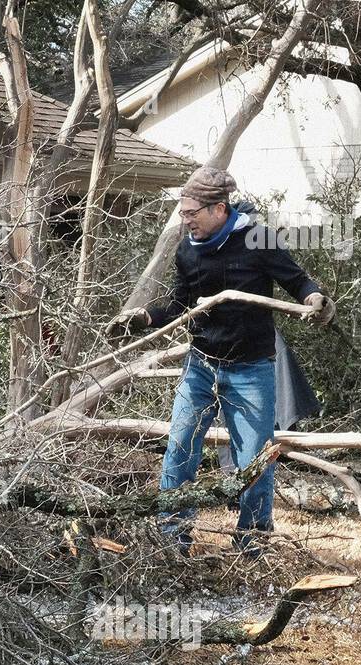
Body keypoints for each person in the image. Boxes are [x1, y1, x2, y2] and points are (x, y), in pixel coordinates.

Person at [105, 166, 336, 558]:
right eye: (182, 212)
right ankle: (171, 538)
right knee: (180, 448)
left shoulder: (258, 239)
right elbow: (179, 304)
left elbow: (298, 281)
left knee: (254, 462)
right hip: (201, 367)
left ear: (219, 209)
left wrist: (316, 301)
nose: (186, 219)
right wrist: (143, 318)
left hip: (251, 370)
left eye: (192, 212)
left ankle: (252, 545)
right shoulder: (188, 250)